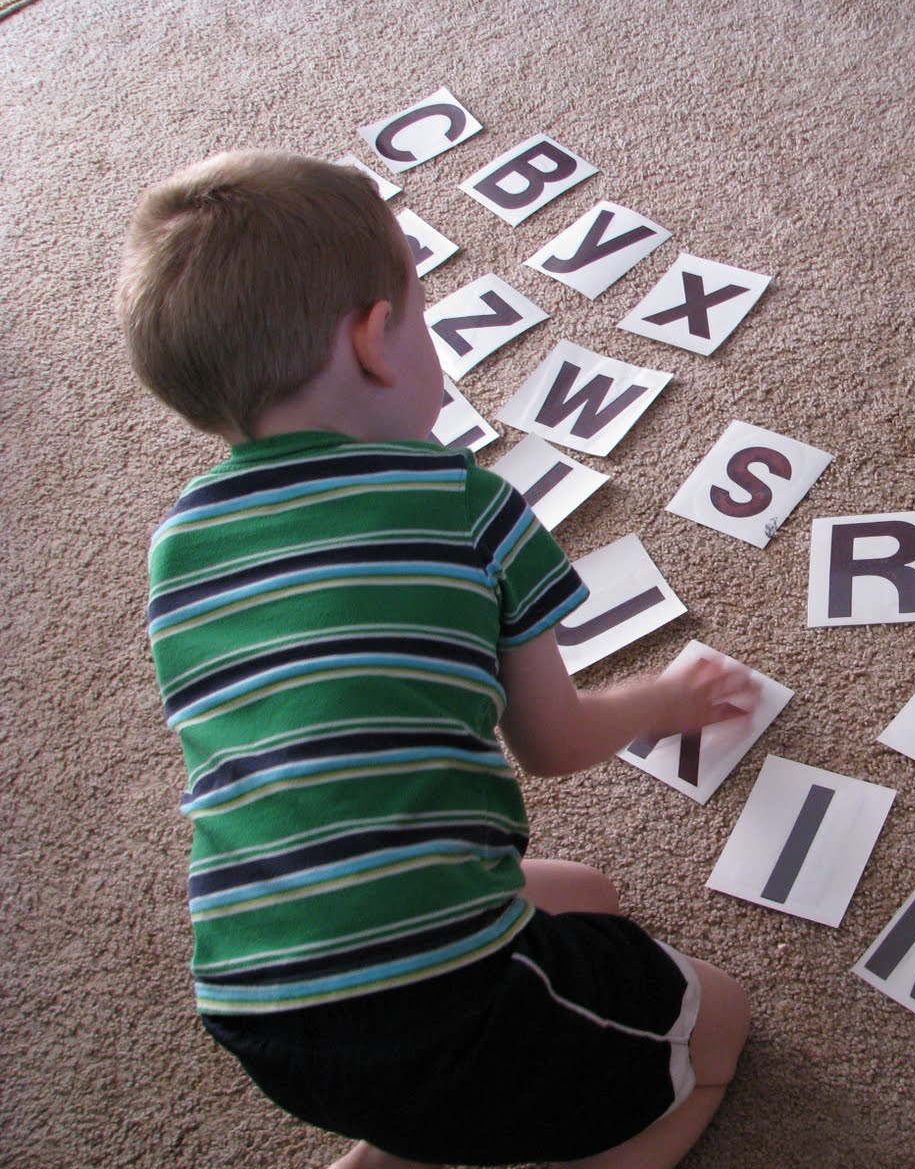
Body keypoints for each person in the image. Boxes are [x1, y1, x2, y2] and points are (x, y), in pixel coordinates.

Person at [117, 149, 758, 1169]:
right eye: (423, 313)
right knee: (720, 1025)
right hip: (444, 1001)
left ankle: (405, 1139)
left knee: (583, 890)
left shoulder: (179, 543)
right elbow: (552, 742)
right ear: (377, 344)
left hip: (255, 1005)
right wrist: (662, 698)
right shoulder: (467, 505)